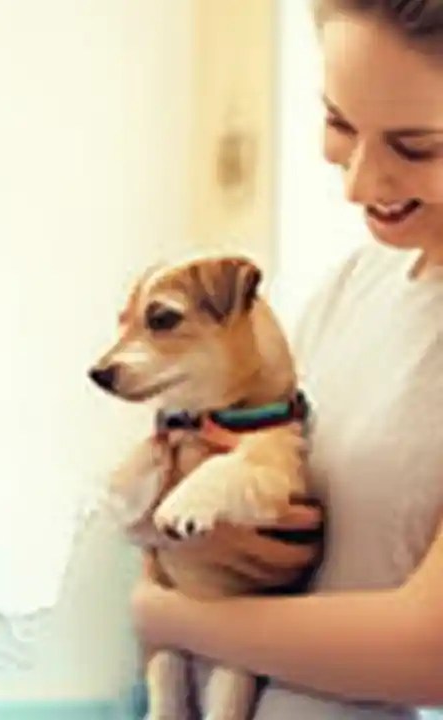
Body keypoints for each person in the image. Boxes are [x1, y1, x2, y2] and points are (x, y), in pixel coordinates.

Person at [128, 1, 443, 717]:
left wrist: (165, 614)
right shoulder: (357, 288)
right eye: (340, 123)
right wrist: (207, 550)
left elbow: (431, 649)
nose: (359, 183)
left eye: (416, 147)